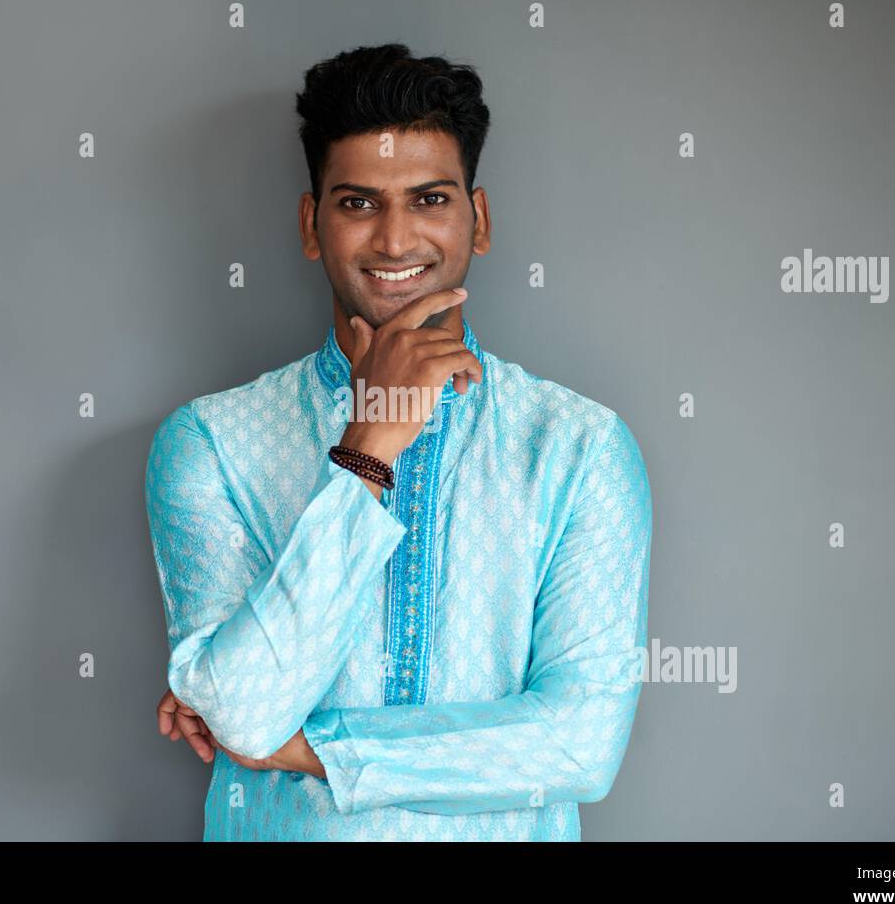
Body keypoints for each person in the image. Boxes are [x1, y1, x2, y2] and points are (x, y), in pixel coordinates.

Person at [146, 43, 653, 841]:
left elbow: (579, 744)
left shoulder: (579, 449)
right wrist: (367, 447)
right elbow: (243, 716)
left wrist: (310, 748)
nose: (393, 241)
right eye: (357, 204)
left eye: (428, 199)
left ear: (477, 221)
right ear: (312, 226)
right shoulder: (212, 442)